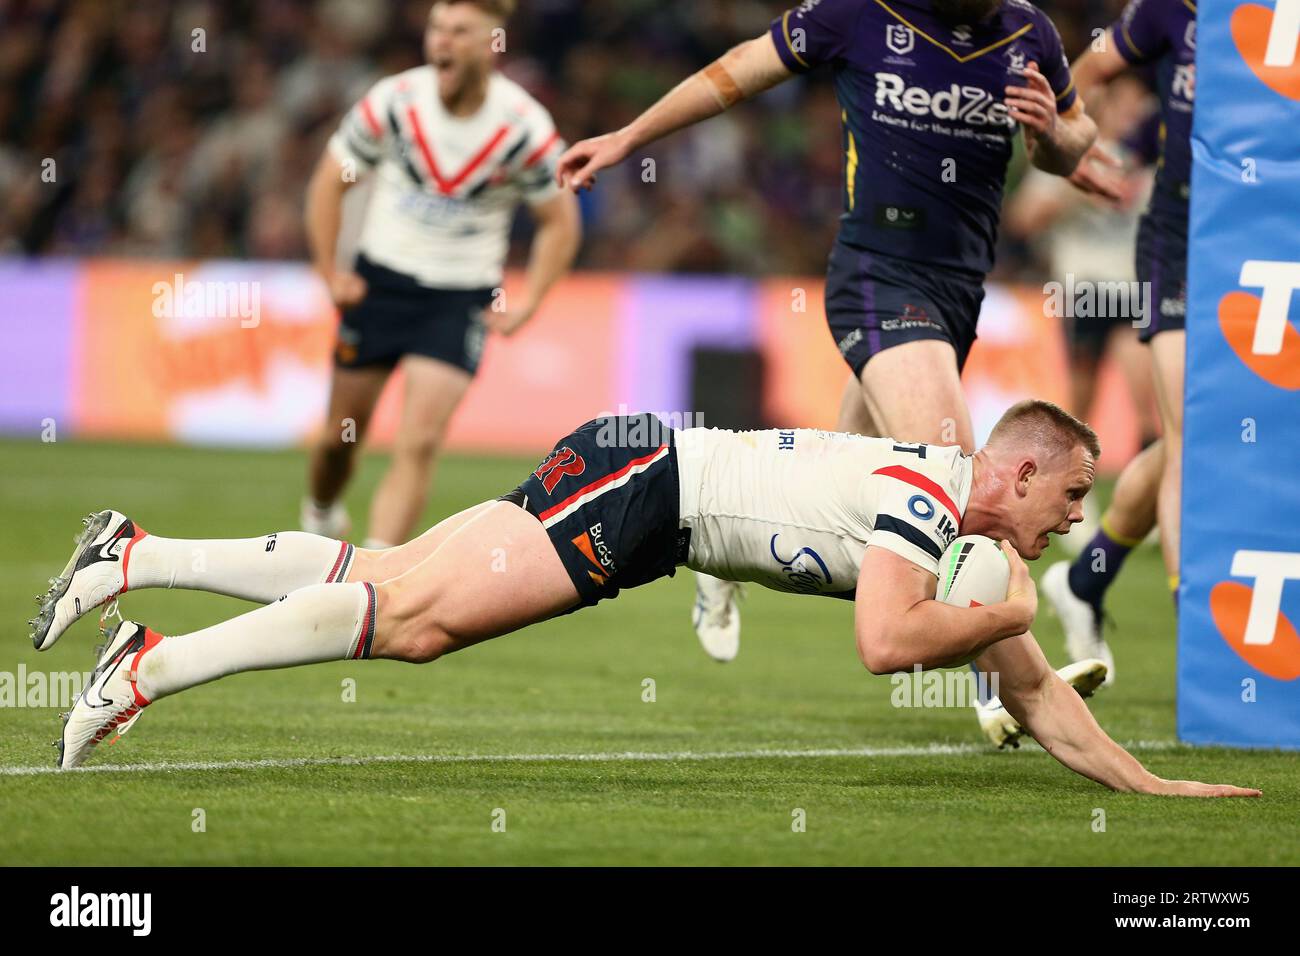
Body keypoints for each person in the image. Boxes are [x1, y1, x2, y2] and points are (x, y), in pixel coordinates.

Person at [33, 401, 1253, 795]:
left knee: (388, 583)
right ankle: (145, 666)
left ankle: (133, 552)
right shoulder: (931, 502)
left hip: (647, 483)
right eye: (1075, 493)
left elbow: (1034, 695)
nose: (1081, 518)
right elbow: (888, 644)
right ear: (1019, 468)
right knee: (414, 624)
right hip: (649, 488)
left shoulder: (975, 547)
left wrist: (1150, 784)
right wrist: (1000, 620)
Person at [555, 0, 1114, 744]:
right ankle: (1004, 687)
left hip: (959, 290)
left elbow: (1073, 141)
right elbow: (734, 75)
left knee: (844, 485)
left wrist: (1053, 135)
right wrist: (629, 137)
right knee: (947, 464)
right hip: (878, 278)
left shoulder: (1028, 31)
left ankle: (720, 553)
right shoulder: (857, 15)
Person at [301, 0, 580, 549]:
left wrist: (530, 301)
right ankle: (321, 512)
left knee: (419, 442)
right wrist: (330, 273)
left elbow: (559, 220)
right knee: (339, 440)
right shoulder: (395, 103)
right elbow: (328, 183)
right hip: (381, 282)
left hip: (460, 299)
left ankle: (374, 578)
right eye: (436, 29)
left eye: (459, 31)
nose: (442, 41)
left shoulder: (522, 127)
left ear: (491, 44)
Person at [1041, 0, 1195, 682]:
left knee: (1183, 438)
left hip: (1273, 247)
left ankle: (1086, 582)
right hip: (1174, 249)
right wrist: (1063, 143)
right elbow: (1091, 70)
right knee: (1181, 427)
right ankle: (1203, 628)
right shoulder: (1174, 13)